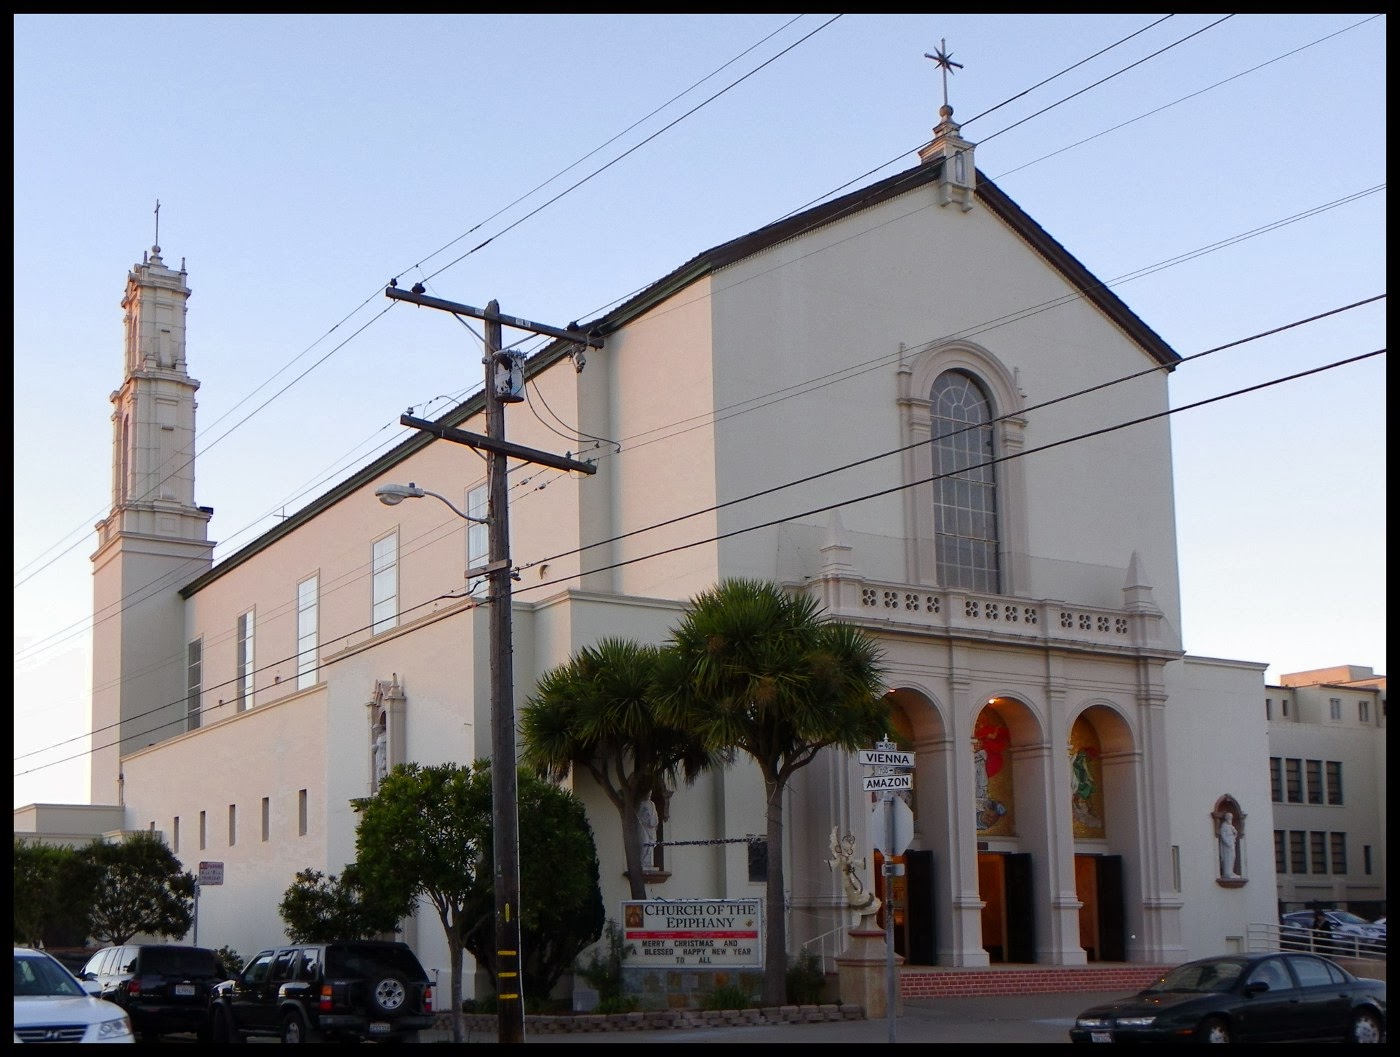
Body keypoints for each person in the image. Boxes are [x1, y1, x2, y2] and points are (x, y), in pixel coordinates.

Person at [638, 797, 659, 870]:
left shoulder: (652, 804)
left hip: (651, 827)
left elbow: (655, 814)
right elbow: (639, 815)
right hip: (644, 826)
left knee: (651, 845)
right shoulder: (642, 803)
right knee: (645, 843)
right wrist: (646, 820)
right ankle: (642, 862)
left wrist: (654, 822)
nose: (649, 794)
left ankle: (649, 863)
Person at [1217, 811, 1239, 879]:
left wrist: (1235, 833)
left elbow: (1236, 833)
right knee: (1228, 858)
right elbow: (1223, 836)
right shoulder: (1224, 826)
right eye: (1229, 818)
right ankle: (1227, 872)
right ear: (1227, 818)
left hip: (1232, 843)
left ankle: (1231, 871)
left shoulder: (1231, 826)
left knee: (1233, 856)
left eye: (1231, 818)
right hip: (1227, 845)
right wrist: (1227, 842)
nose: (1230, 819)